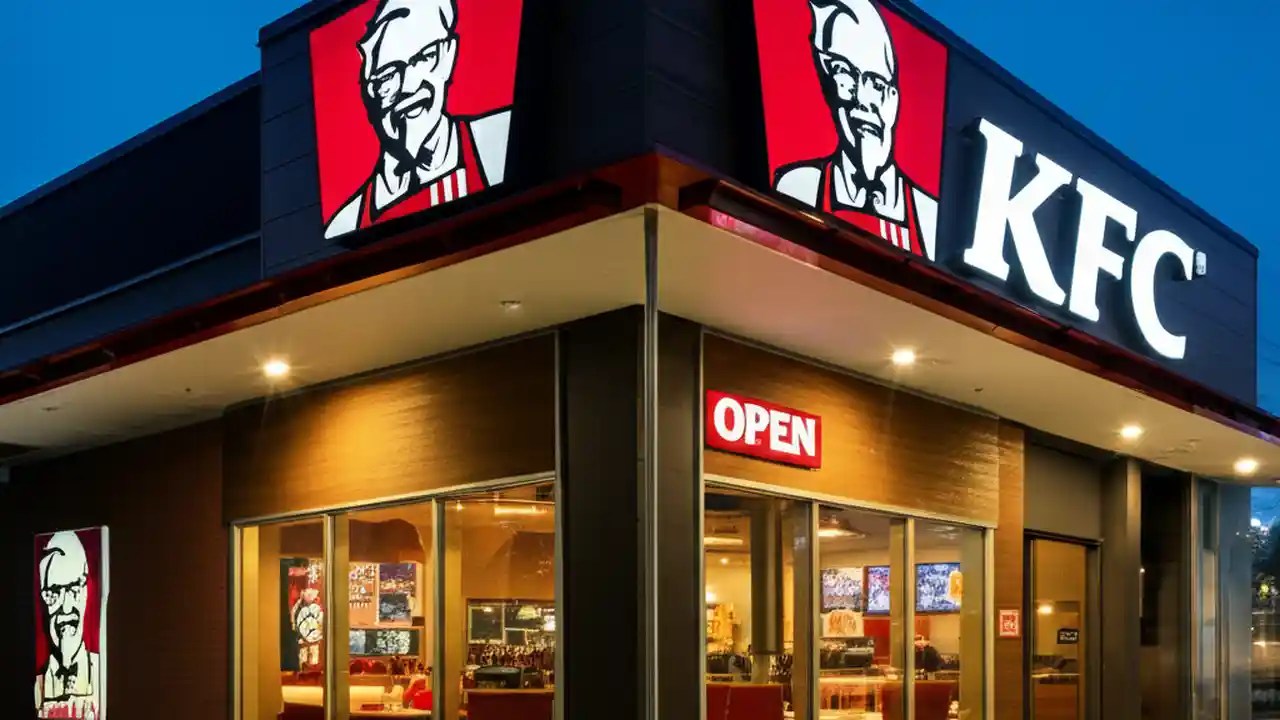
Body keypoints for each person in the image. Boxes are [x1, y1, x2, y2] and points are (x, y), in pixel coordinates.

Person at [323, 0, 512, 238]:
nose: (409, 86)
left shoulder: (500, 141)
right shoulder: (345, 223)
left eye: (424, 57)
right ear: (369, 93)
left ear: (448, 56)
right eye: (388, 75)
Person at [773, 0, 938, 260]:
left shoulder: (928, 215)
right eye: (844, 73)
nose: (862, 97)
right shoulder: (799, 185)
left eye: (875, 82)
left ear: (894, 99)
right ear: (828, 86)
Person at [35, 532, 101, 719]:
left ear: (86, 592)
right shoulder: (35, 687)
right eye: (54, 593)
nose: (66, 607)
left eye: (73, 589)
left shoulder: (102, 674)